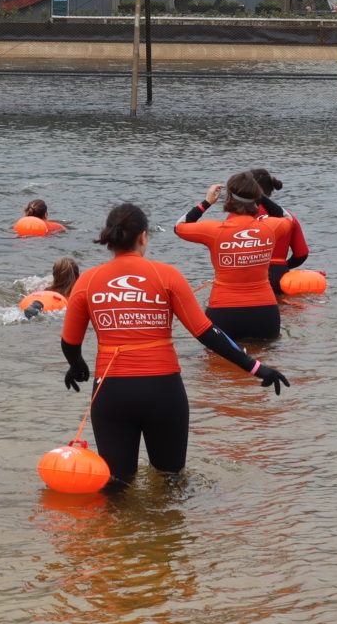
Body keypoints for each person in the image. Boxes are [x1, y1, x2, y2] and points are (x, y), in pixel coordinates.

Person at [61, 203, 289, 485]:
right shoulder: (166, 275)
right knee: (171, 481)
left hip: (112, 392)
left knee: (117, 485)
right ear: (143, 236)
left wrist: (76, 366)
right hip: (163, 391)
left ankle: (118, 530)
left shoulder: (88, 280)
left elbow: (70, 341)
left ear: (110, 237)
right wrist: (256, 368)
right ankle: (170, 526)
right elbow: (206, 332)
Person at [174, 172, 290, 340]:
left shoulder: (213, 231)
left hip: (224, 312)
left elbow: (179, 227)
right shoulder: (270, 227)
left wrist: (206, 203)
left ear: (228, 197)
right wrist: (261, 198)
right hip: (265, 313)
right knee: (265, 362)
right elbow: (286, 218)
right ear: (256, 198)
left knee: (218, 364)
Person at [248, 167, 310, 294]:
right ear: (270, 190)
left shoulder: (236, 216)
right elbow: (301, 254)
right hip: (279, 276)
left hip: (247, 275)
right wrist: (282, 267)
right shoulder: (288, 217)